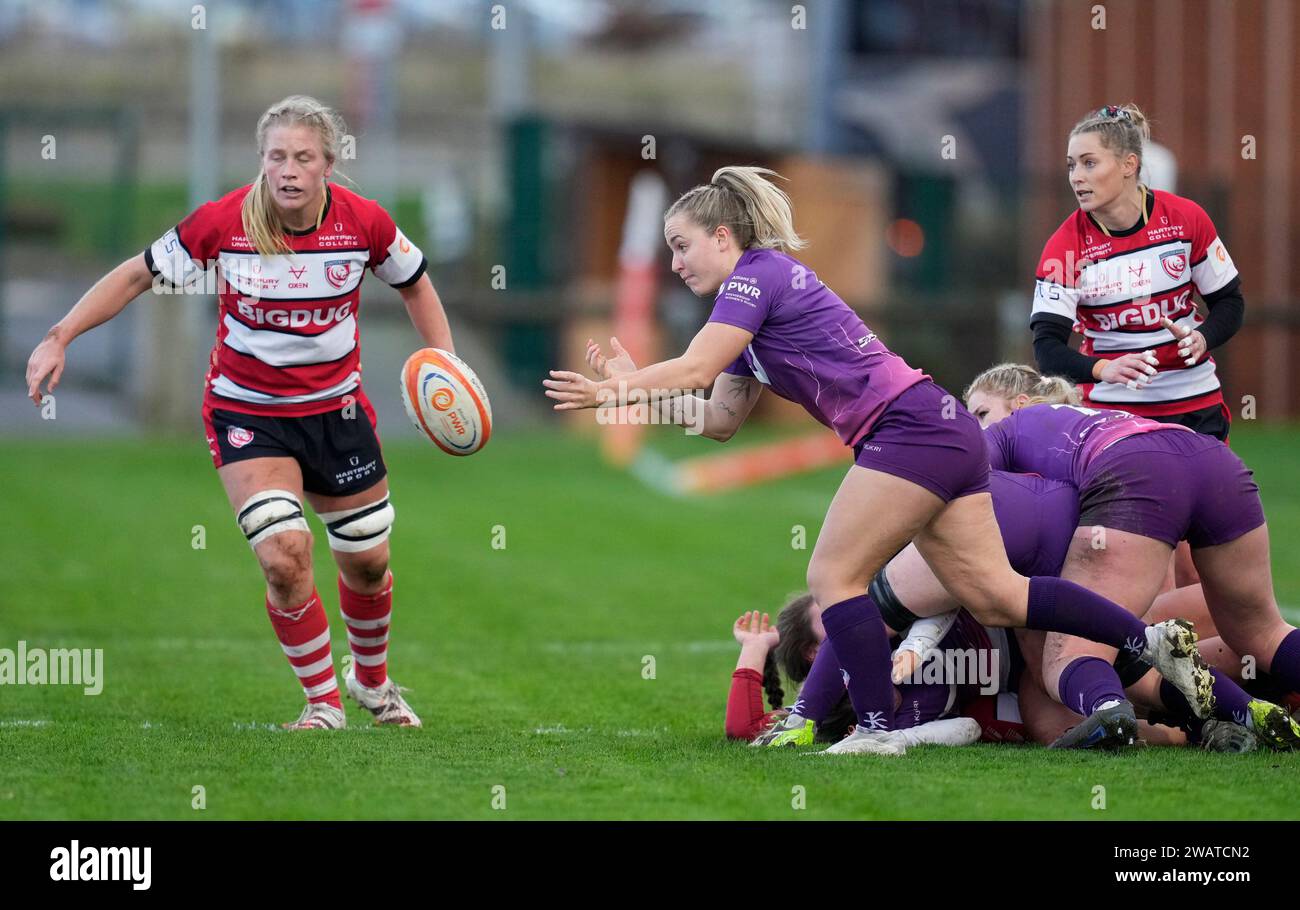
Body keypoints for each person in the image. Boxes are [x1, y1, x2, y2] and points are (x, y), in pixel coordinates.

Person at [546, 165, 1214, 756]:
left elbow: (693, 365)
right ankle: (1146, 641)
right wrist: (626, 399)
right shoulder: (748, 311)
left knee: (834, 573)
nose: (676, 263)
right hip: (937, 428)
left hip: (911, 431)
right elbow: (718, 419)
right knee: (999, 596)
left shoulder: (755, 277)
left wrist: (619, 388)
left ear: (724, 237)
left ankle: (875, 728)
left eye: (681, 245)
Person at [23, 95, 454, 729]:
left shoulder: (365, 223)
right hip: (248, 414)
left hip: (336, 413)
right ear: (262, 161)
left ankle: (372, 684)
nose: (287, 169)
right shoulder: (226, 222)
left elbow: (414, 280)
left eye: (302, 157)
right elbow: (138, 274)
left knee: (367, 562)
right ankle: (321, 705)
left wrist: (447, 364)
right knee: (284, 556)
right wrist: (61, 334)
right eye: (276, 155)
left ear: (327, 164)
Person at [965, 366, 1300, 750]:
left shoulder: (1010, 433)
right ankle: (1226, 712)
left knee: (1070, 656)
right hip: (1210, 459)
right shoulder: (1078, 428)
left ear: (1019, 403)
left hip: (1137, 475)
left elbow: (957, 481)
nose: (975, 428)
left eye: (980, 414)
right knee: (1264, 634)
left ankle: (1119, 711)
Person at [1030, 103, 1244, 440]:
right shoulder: (1065, 247)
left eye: (1089, 163)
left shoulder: (1186, 219)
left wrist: (1203, 338)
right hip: (1115, 416)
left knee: (1216, 495)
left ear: (1129, 164)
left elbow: (1230, 302)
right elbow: (1047, 350)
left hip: (1197, 406)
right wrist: (1104, 369)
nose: (1076, 177)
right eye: (1071, 165)